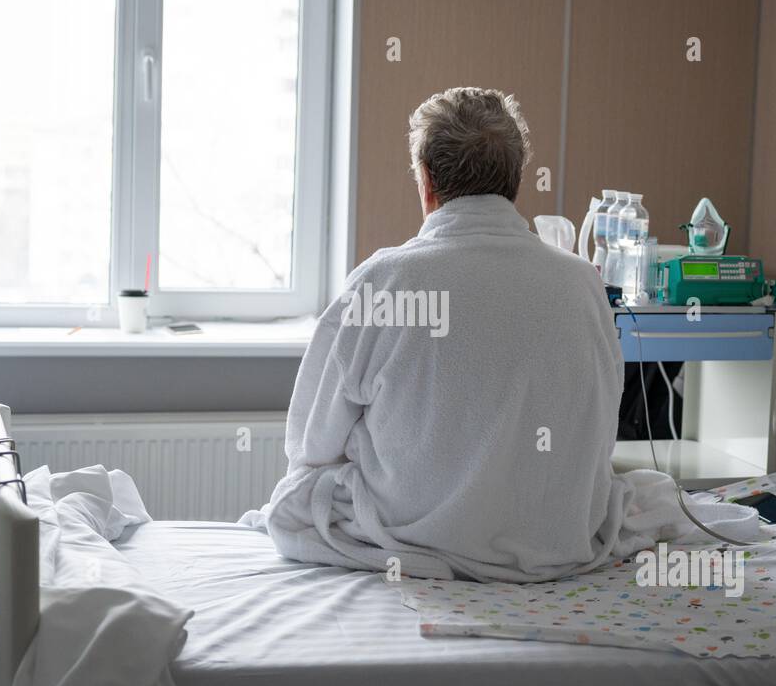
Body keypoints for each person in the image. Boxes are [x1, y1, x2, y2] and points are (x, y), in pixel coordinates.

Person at [241, 87, 723, 581]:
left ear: (427, 180)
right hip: (553, 539)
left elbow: (311, 445)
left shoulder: (384, 283)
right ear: (515, 181)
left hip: (412, 534)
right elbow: (598, 430)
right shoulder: (582, 283)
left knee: (304, 493)